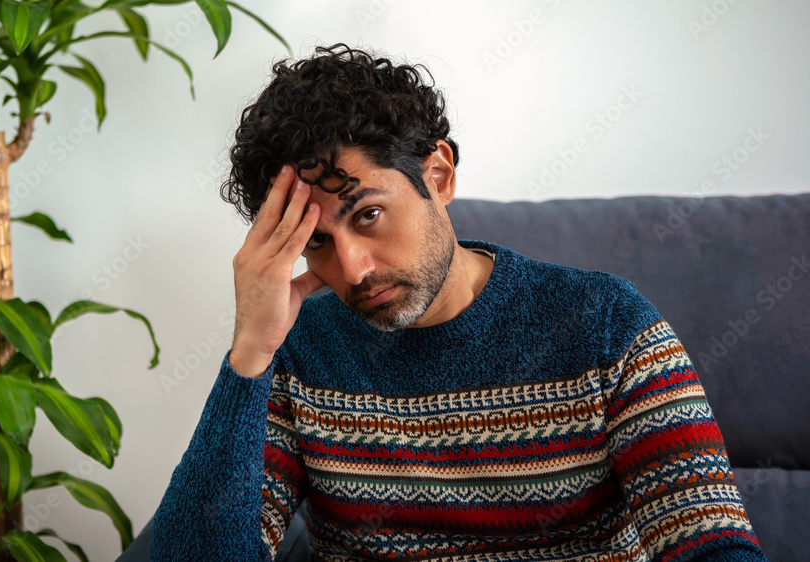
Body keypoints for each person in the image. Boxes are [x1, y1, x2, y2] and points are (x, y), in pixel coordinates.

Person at [146, 44, 767, 561]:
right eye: (317, 245)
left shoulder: (605, 325)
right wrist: (249, 355)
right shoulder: (299, 348)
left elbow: (715, 548)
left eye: (368, 215)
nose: (354, 269)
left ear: (438, 175)